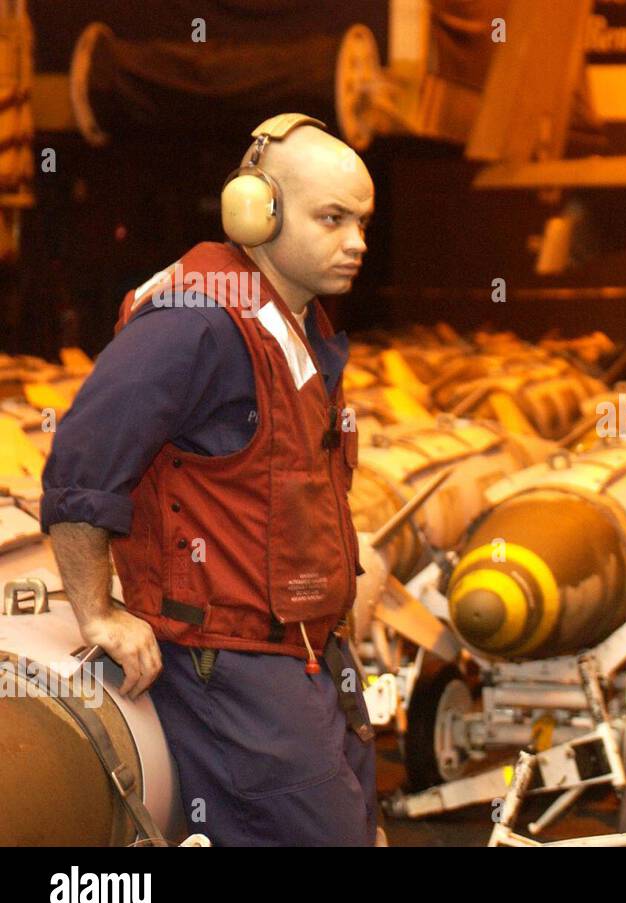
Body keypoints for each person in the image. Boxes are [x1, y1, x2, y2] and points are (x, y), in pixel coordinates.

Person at [40, 114, 379, 846]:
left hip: (307, 654)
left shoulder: (295, 321)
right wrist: (99, 614)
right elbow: (81, 465)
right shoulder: (193, 321)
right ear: (256, 210)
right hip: (232, 668)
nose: (356, 241)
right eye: (332, 218)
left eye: (361, 221)